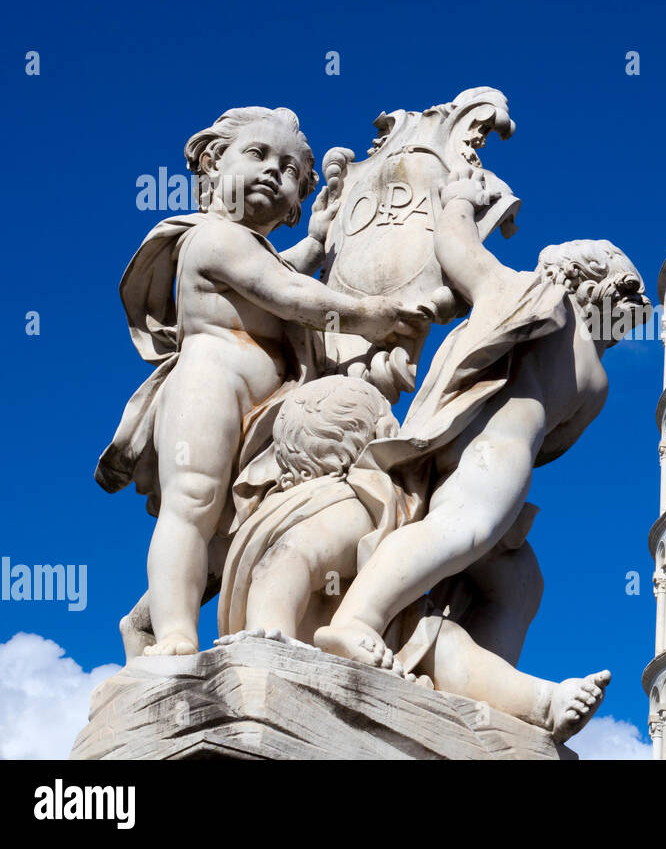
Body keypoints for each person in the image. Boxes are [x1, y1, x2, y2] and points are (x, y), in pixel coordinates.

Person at [96, 107, 423, 657]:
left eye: (291, 168)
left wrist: (318, 242)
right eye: (257, 154)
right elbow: (292, 295)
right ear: (210, 163)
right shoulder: (211, 238)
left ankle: (146, 621)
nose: (275, 170)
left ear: (296, 200)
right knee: (194, 503)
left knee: (229, 536)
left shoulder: (258, 251)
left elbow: (283, 270)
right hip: (209, 387)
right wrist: (375, 312)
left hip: (273, 406)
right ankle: (176, 634)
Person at [314, 170, 652, 683]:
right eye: (626, 305)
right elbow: (556, 443)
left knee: (518, 581)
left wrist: (461, 204)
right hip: (499, 455)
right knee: (462, 530)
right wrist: (458, 199)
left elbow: (463, 255)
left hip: (489, 453)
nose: (627, 323)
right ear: (596, 289)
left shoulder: (580, 356)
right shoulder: (553, 314)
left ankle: (472, 686)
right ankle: (356, 619)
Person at [217, 374, 609, 743]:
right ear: (378, 438)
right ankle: (541, 701)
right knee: (446, 644)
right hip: (310, 640)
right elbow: (285, 560)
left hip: (379, 638)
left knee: (443, 641)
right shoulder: (345, 506)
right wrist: (272, 631)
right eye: (392, 426)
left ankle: (542, 701)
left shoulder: (369, 506)